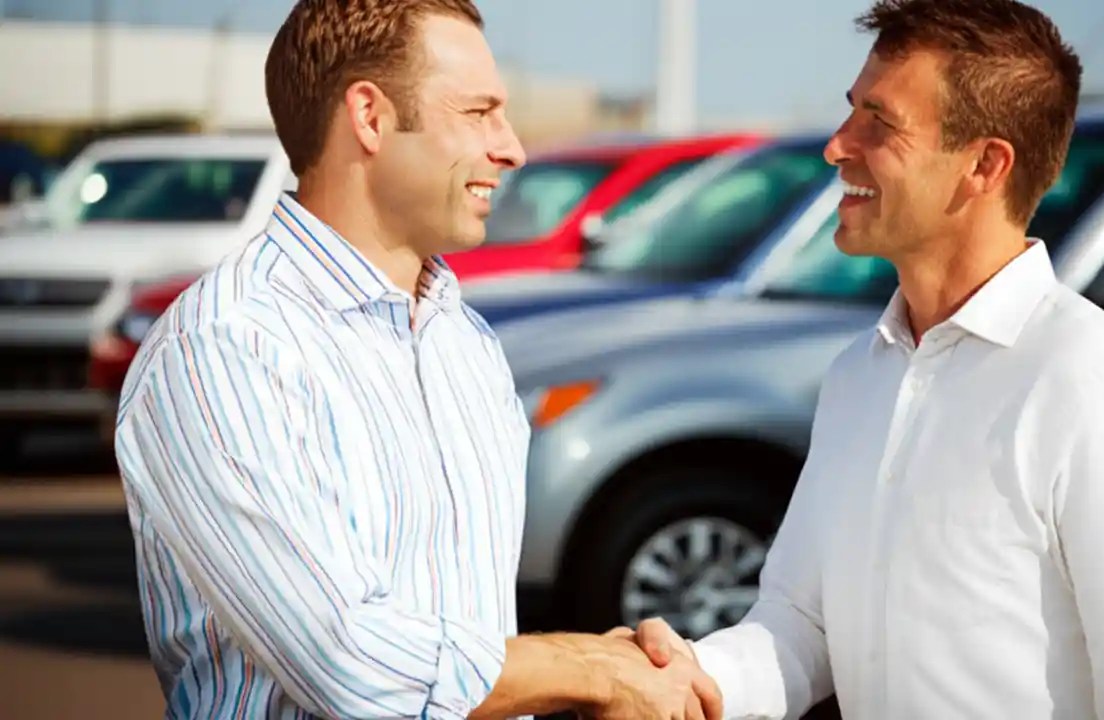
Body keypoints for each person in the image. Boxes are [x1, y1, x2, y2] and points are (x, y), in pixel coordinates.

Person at [113, 1, 722, 718]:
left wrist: (601, 673)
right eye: (478, 112)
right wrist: (594, 669)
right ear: (369, 117)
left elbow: (469, 639)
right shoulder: (225, 351)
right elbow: (349, 663)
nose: (513, 148)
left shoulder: (464, 342)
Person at [623, 0, 1104, 718]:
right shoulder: (860, 374)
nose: (838, 145)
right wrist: (688, 676)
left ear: (984, 165)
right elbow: (802, 624)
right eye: (852, 112)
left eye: (880, 121)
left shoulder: (1097, 386)